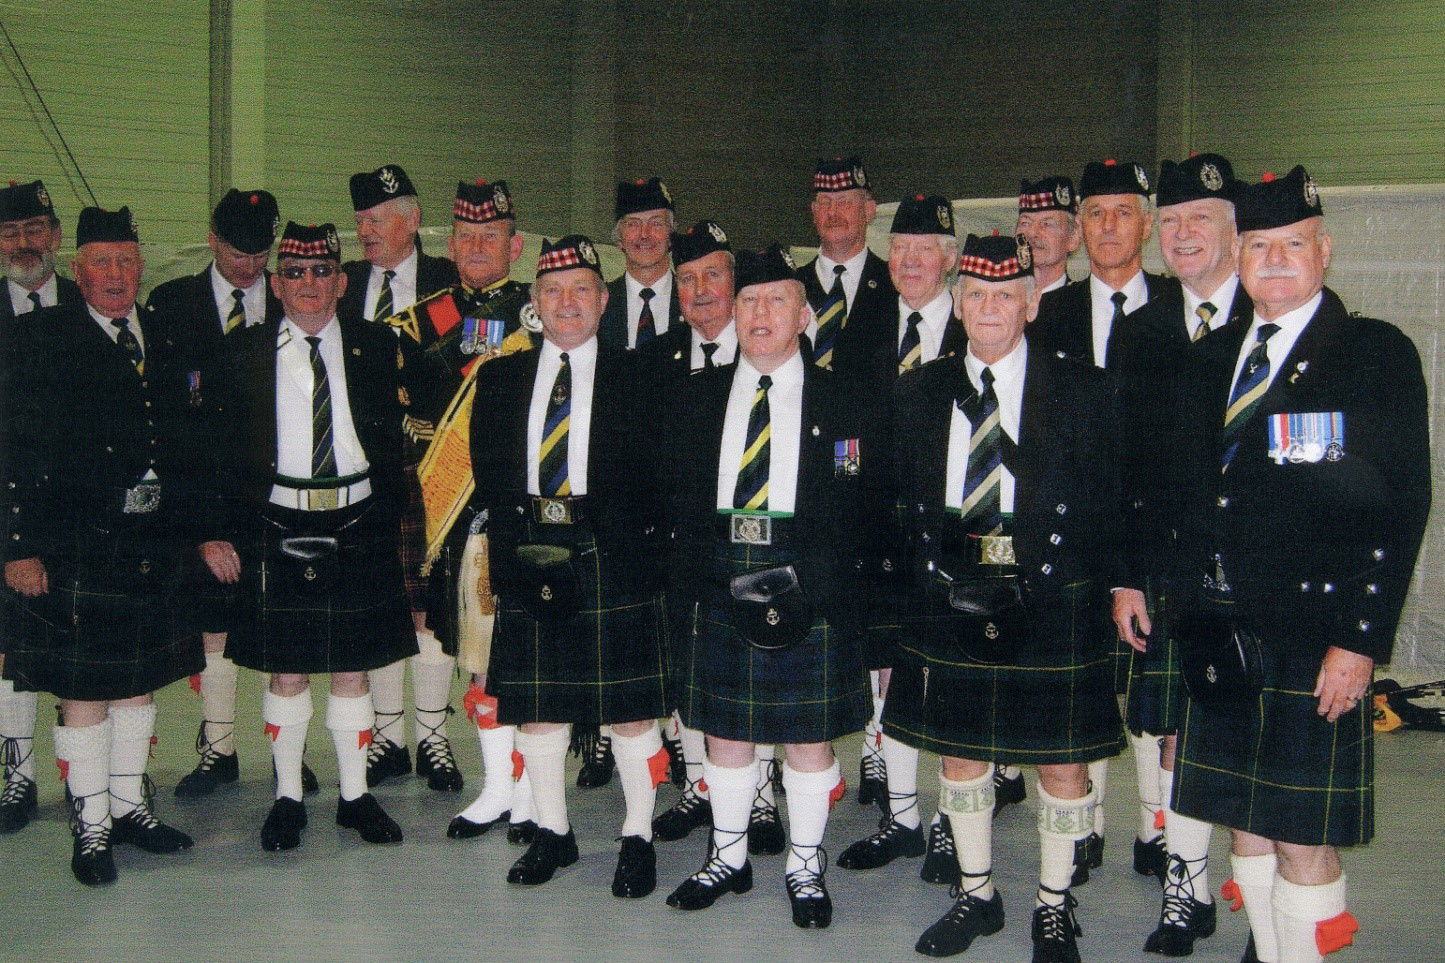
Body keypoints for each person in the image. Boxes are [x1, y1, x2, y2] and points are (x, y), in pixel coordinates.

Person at [1114, 165, 1430, 963]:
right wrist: (1150, 581)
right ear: (1239, 255)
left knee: (1300, 832)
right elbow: (1171, 488)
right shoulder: (1208, 356)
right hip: (1216, 630)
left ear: (1323, 251)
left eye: (1293, 243)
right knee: (1244, 825)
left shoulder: (1371, 354)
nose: (1276, 259)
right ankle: (1271, 947)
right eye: (1259, 245)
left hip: (1309, 635)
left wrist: (1359, 640)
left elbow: (1401, 505)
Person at [885, 233, 1124, 961]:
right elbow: (897, 496)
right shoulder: (919, 389)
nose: (989, 308)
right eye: (976, 295)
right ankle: (976, 891)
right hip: (952, 584)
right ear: (958, 305)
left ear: (1029, 301)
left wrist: (1113, 581)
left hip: (1051, 589)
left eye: (1004, 295)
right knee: (959, 755)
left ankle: (1053, 902)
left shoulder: (1083, 386)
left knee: (1061, 761)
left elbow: (1112, 501)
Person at [661, 244, 872, 929]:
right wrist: (694, 572)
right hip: (719, 566)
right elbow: (675, 500)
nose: (759, 312)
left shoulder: (843, 397)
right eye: (749, 300)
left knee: (807, 737)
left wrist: (823, 580)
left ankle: (804, 862)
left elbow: (863, 503)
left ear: (804, 314)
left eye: (777, 299)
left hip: (806, 572)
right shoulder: (694, 395)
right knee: (725, 730)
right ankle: (727, 854)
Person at [200, 222, 416, 853]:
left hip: (358, 520)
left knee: (354, 669)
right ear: (277, 282)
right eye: (294, 273)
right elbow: (214, 452)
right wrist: (216, 531)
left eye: (322, 271)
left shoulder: (377, 346)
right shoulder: (240, 352)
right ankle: (288, 796)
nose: (309, 285)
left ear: (342, 281)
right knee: (287, 672)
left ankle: (355, 796)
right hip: (277, 523)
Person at [3, 206, 201, 883]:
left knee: (137, 684)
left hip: (152, 536)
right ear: (77, 269)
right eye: (100, 262)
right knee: (85, 689)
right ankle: (89, 825)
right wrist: (17, 545)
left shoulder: (164, 334)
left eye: (125, 260)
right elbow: (14, 449)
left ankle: (127, 806)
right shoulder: (40, 337)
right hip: (76, 541)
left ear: (141, 265)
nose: (114, 275)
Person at [470, 235, 670, 896]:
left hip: (611, 551)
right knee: (539, 708)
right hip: (531, 545)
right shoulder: (499, 379)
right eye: (553, 290)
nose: (567, 302)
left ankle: (637, 834)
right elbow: (490, 479)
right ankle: (554, 833)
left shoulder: (640, 374)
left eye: (581, 288)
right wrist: (503, 563)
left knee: (631, 711)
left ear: (603, 299)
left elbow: (659, 478)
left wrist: (646, 560)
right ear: (534, 303)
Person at [1110, 151, 1251, 955]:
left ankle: (1258, 892)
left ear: (1234, 232)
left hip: (1249, 571)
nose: (1184, 235)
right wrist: (1127, 576)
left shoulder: (1266, 318)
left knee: (1244, 733)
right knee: (1173, 732)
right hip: (1166, 570)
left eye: (1202, 220)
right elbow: (1125, 466)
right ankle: (1185, 888)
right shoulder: (1144, 330)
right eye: (1172, 223)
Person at [1030, 158, 1180, 883]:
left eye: (1124, 212)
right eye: (1096, 213)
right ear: (1077, 228)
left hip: (1155, 535)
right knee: (1079, 687)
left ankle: (1157, 828)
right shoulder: (1044, 313)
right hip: (1072, 537)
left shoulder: (1182, 311)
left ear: (1146, 226)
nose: (1109, 226)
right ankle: (1081, 824)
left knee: (1155, 695)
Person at [392, 178, 538, 840]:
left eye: (491, 236)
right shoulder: (423, 321)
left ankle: (534, 788)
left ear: (514, 242)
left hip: (522, 509)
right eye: (467, 237)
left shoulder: (544, 311)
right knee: (478, 657)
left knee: (532, 653)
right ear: (450, 244)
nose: (478, 247)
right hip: (451, 513)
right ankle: (497, 787)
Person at [145, 187, 289, 797]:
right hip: (204, 494)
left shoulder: (294, 300)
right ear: (211, 239)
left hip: (281, 496)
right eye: (236, 251)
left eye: (261, 253)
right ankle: (218, 747)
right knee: (214, 625)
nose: (250, 265)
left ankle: (288, 755)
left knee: (281, 625)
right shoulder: (171, 306)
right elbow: (170, 428)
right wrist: (203, 526)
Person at [838, 194, 965, 884]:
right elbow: (844, 429)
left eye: (926, 250)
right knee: (889, 674)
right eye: (901, 250)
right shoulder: (865, 325)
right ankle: (902, 816)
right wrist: (846, 485)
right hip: (880, 529)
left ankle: (949, 821)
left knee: (943, 679)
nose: (911, 261)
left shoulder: (973, 321)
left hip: (948, 530)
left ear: (948, 260)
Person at [339, 164, 463, 791]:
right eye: (360, 220)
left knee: (433, 600)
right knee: (384, 596)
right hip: (368, 463)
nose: (366, 231)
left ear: (413, 220)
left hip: (438, 461)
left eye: (379, 219)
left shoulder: (450, 282)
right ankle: (386, 738)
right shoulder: (343, 284)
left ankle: (434, 737)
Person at [793, 155, 898, 805]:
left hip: (872, 477)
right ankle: (807, 739)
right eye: (822, 202)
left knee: (879, 624)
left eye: (847, 201)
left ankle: (881, 747)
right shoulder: (788, 285)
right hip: (801, 481)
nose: (833, 213)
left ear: (868, 209)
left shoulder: (899, 283)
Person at [0, 177, 82, 833]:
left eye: (34, 230)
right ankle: (16, 776)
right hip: (6, 508)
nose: (23, 243)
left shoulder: (94, 304)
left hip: (78, 513)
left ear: (55, 237)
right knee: (10, 650)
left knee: (84, 649)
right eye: (10, 232)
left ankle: (95, 778)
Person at [598, 176, 679, 353]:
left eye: (656, 223)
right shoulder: (598, 305)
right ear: (619, 238)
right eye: (633, 224)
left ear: (671, 235)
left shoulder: (691, 301)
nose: (644, 234)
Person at [1014, 175, 1081, 295]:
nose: (1033, 233)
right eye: (1025, 223)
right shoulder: (999, 303)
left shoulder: (1085, 305)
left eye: (1047, 224)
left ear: (1073, 238)